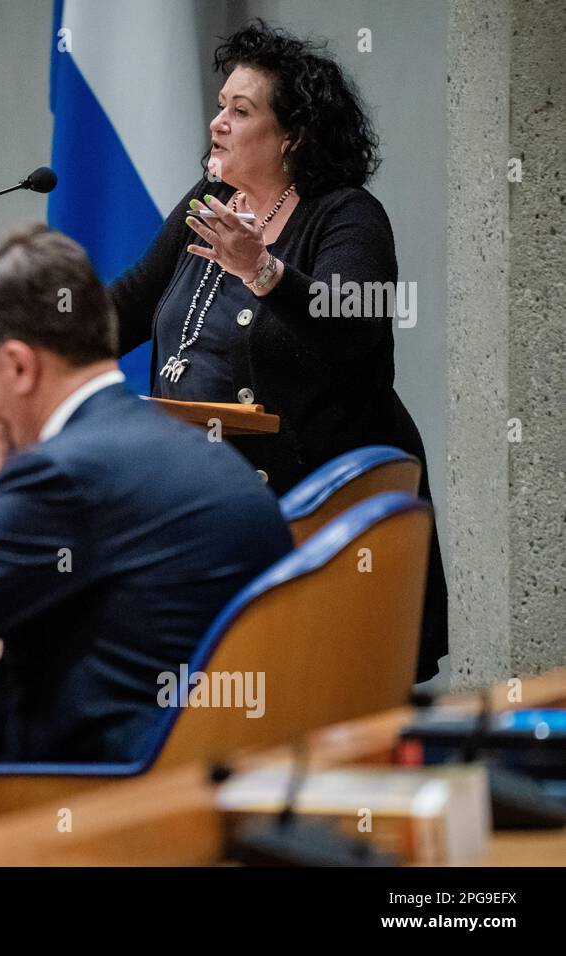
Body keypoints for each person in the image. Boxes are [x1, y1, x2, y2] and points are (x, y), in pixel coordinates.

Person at [107, 19, 446, 679]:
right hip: (211, 505)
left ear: (292, 134)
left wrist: (262, 269)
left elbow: (352, 322)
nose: (218, 123)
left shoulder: (346, 215)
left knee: (316, 698)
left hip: (320, 510)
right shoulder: (206, 204)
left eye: (241, 110)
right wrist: (26, 329)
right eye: (219, 106)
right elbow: (127, 308)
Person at [0, 223, 292, 764]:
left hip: (101, 807)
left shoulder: (60, 475)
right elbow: (132, 637)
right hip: (212, 789)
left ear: (19, 367)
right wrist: (5, 659)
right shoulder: (201, 452)